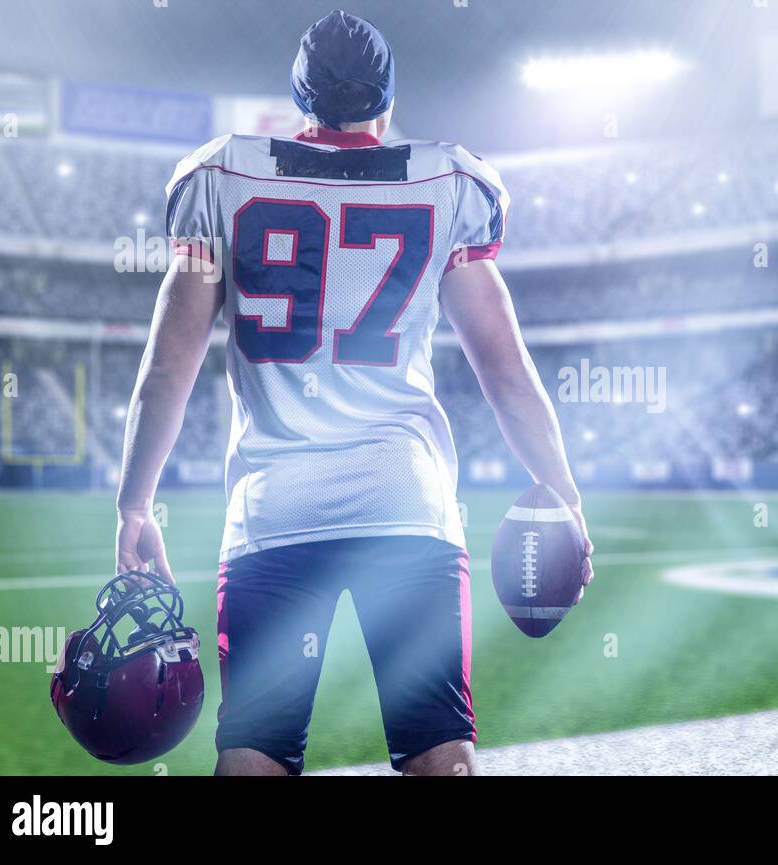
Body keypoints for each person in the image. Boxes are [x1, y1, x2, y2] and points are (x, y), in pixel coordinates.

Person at [114, 9, 592, 776]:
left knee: (254, 755)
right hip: (406, 505)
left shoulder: (222, 176)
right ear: (388, 100)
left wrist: (135, 504)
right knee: (441, 749)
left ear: (299, 99)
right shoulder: (447, 181)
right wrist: (561, 487)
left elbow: (167, 369)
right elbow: (503, 365)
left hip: (274, 510)